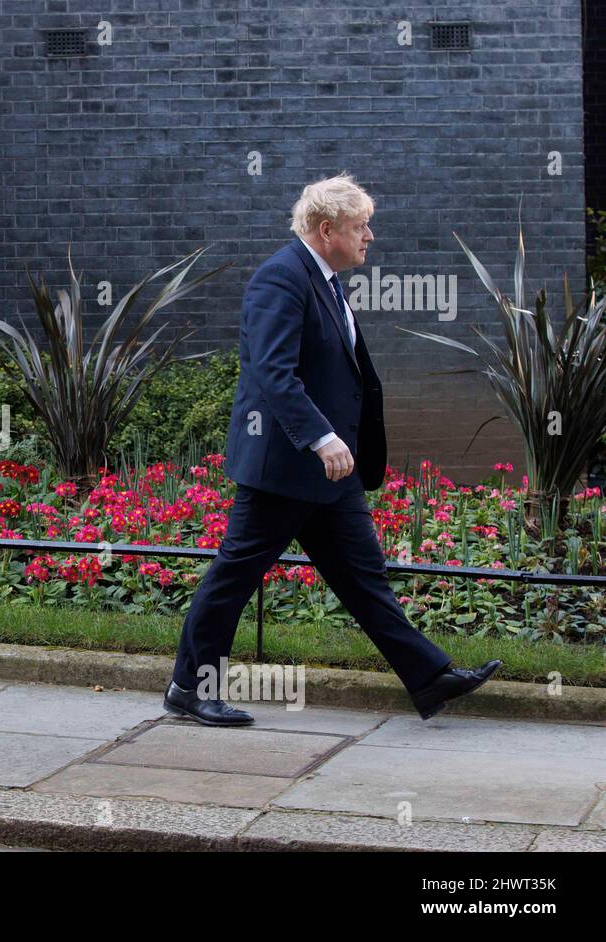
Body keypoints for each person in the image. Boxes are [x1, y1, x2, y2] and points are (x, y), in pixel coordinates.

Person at [163, 173, 500, 726]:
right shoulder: (282, 278)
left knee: (363, 575)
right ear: (326, 230)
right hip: (286, 466)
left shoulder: (324, 278)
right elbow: (273, 372)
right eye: (361, 226)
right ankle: (189, 687)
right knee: (234, 577)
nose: (370, 236)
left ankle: (429, 677)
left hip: (328, 471)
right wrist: (321, 438)